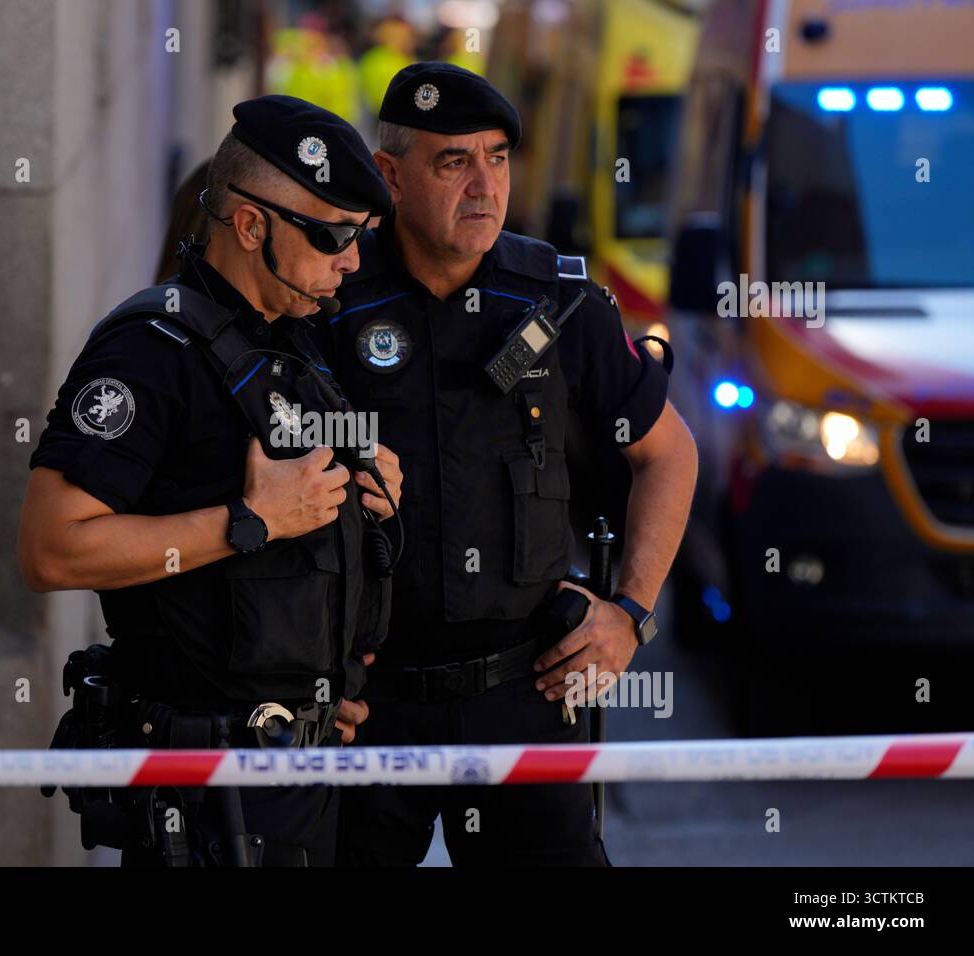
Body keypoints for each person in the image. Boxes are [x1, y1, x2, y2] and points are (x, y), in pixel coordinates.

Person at [312, 63, 698, 866]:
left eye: (497, 157)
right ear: (390, 176)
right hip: (368, 699)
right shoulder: (329, 301)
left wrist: (629, 615)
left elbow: (668, 453)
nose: (485, 185)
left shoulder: (557, 303)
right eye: (455, 162)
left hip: (525, 693)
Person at [18, 95, 402, 867]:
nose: (352, 260)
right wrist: (249, 518)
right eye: (331, 235)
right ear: (251, 225)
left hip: (301, 773)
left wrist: (366, 494)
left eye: (360, 236)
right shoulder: (148, 350)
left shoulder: (294, 338)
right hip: (205, 795)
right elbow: (50, 550)